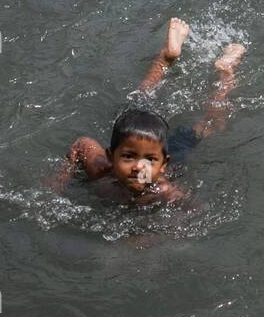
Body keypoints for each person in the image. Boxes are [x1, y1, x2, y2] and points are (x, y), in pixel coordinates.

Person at [50, 18, 246, 205]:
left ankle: (225, 71)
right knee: (142, 94)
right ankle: (166, 57)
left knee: (211, 123)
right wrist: (58, 182)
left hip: (168, 147)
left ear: (163, 164)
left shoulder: (167, 192)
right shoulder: (100, 168)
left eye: (150, 160)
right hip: (136, 131)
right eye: (128, 157)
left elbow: (194, 210)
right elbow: (81, 144)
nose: (138, 167)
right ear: (110, 157)